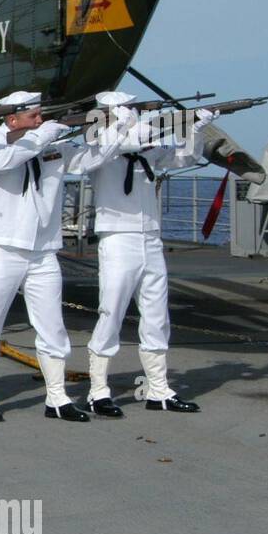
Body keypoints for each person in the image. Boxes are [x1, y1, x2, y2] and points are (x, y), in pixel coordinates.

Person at [0, 90, 117, 423]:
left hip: (43, 250)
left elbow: (92, 160)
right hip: (2, 247)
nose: (40, 120)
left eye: (41, 116)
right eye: (34, 116)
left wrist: (113, 128)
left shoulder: (49, 144)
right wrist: (42, 134)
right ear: (12, 119)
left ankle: (57, 397)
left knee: (52, 326)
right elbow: (0, 162)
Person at [82, 93, 216, 415]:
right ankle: (98, 390)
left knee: (157, 316)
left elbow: (184, 159)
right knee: (110, 313)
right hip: (117, 238)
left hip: (150, 237)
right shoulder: (100, 143)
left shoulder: (146, 149)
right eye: (129, 110)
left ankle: (159, 389)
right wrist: (161, 122)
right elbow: (124, 142)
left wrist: (194, 129)